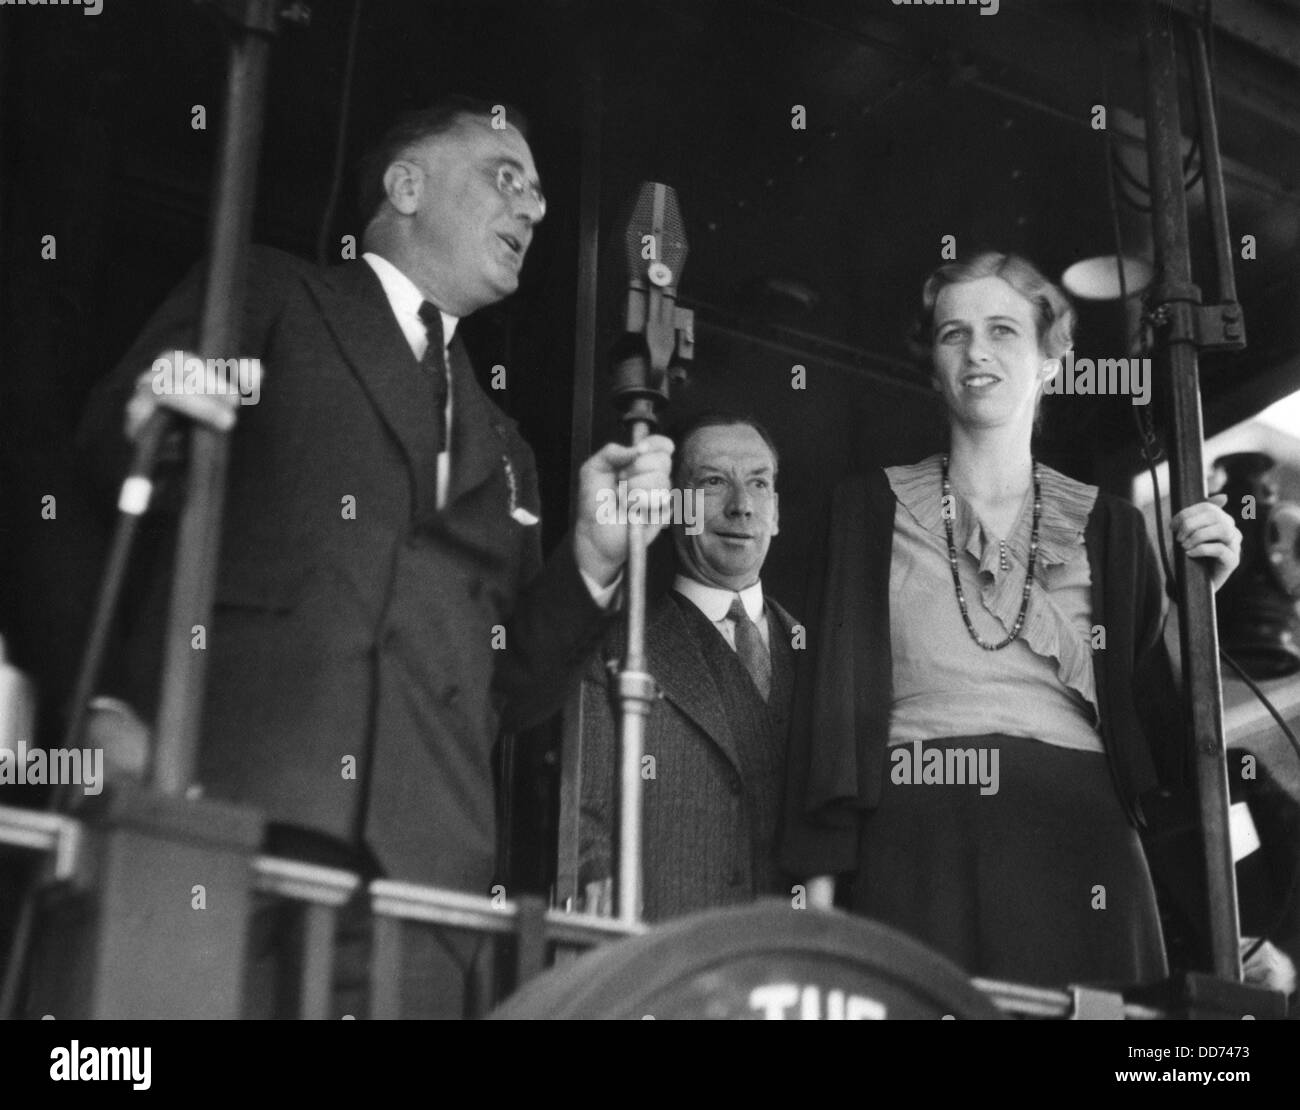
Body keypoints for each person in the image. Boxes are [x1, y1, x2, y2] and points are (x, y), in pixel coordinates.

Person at [75, 95, 673, 1016]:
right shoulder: (271, 294)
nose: (534, 210)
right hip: (232, 806)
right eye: (505, 178)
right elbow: (113, 473)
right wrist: (153, 409)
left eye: (543, 197)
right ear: (406, 184)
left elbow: (504, 690)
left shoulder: (507, 445)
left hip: (424, 877)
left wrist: (591, 561)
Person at [780, 251, 1242, 989]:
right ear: (931, 363)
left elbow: (1167, 742)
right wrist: (820, 922)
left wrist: (1201, 603)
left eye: (1003, 329)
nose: (977, 352)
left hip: (1081, 848)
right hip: (918, 848)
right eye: (952, 334)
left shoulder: (1116, 531)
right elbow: (828, 731)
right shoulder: (866, 511)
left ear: (1052, 359)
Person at [579, 413, 798, 921]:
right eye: (714, 482)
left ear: (777, 512)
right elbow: (583, 824)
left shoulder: (820, 657)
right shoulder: (615, 647)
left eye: (759, 484)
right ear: (674, 506)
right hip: (667, 967)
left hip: (789, 974)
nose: (741, 506)